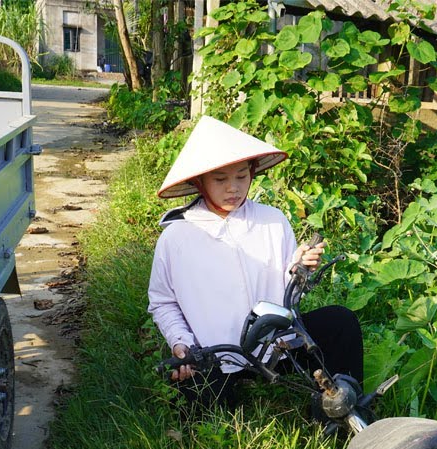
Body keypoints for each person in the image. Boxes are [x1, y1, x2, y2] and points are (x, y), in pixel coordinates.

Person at [147, 116, 363, 411]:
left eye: (241, 176)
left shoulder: (272, 220)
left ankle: (344, 409)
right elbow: (163, 302)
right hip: (216, 355)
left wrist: (298, 268)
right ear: (199, 182)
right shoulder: (177, 237)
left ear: (252, 173)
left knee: (340, 322)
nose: (233, 188)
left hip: (279, 346)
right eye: (220, 179)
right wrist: (180, 343)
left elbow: (287, 294)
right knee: (204, 413)